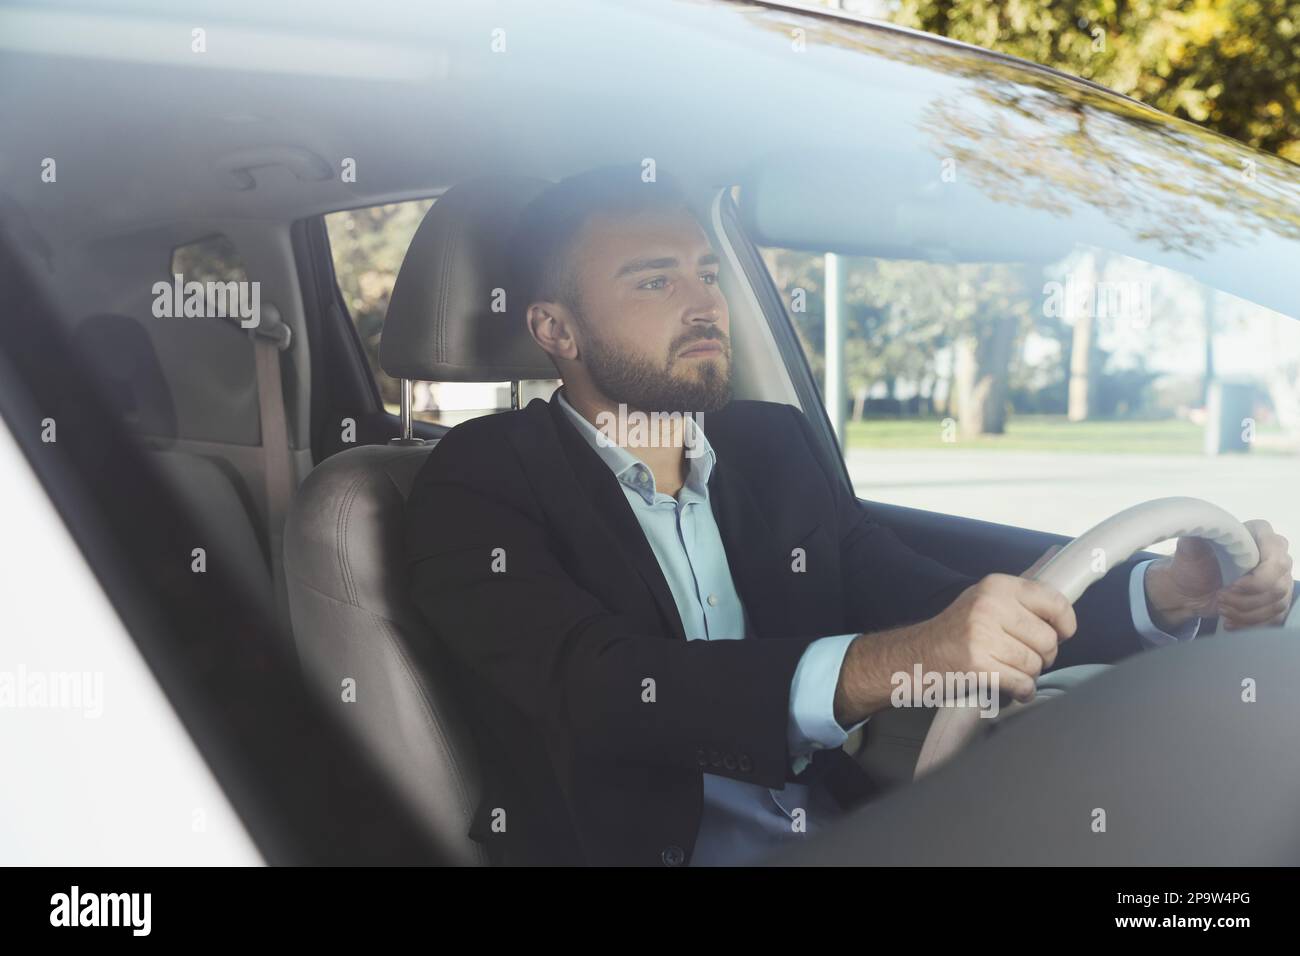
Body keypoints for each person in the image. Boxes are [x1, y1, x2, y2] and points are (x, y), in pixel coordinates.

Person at [404, 166, 1294, 866]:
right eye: (653, 282)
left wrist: (1170, 594)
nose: (704, 302)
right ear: (555, 330)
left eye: (706, 273)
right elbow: (600, 685)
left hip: (847, 832)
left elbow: (931, 598)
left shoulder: (771, 447)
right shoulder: (479, 481)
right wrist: (897, 662)